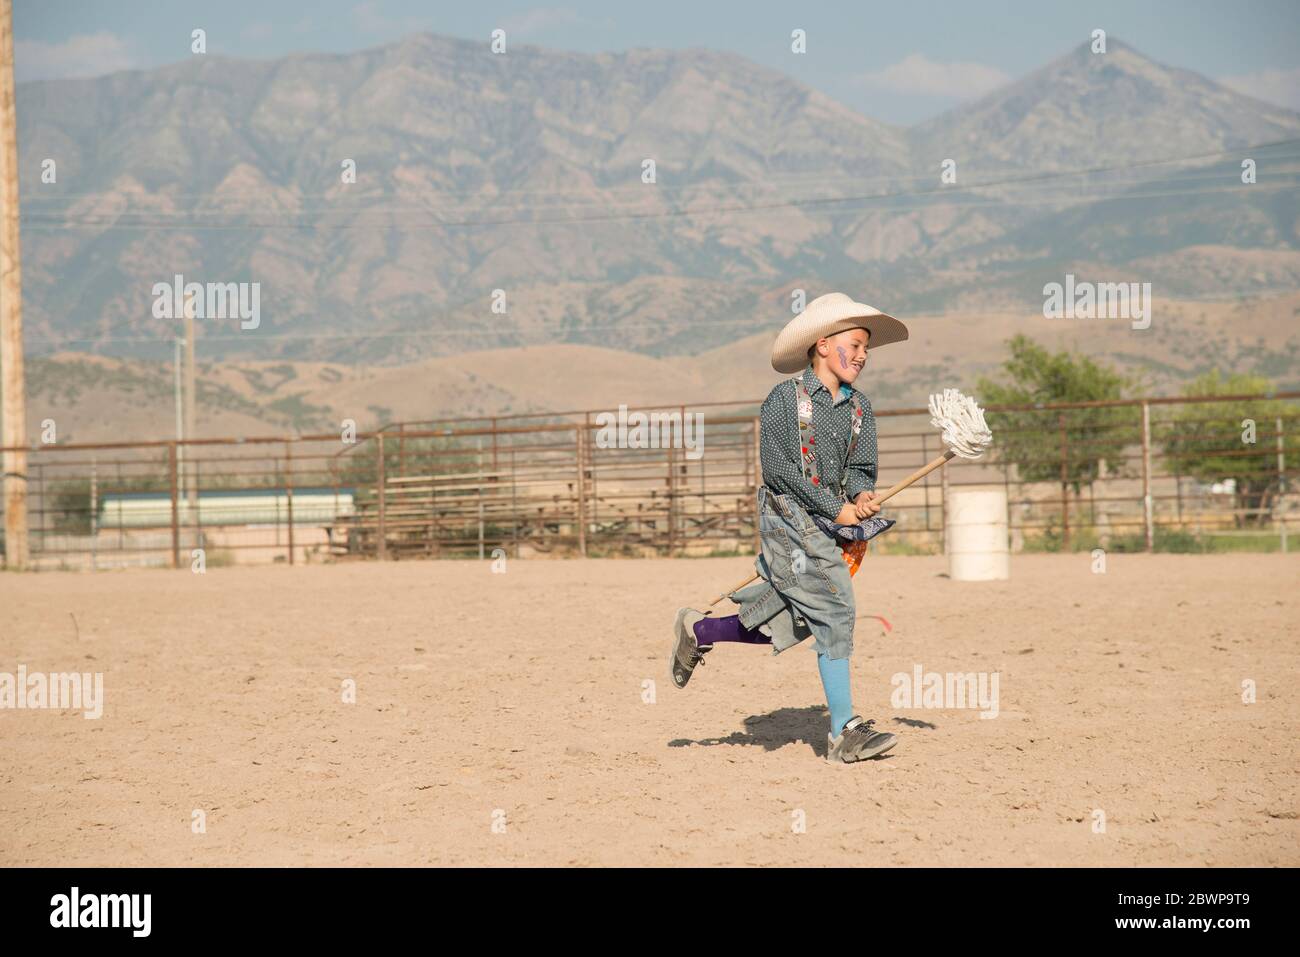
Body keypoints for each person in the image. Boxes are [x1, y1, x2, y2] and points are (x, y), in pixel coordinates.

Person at [670, 292, 909, 764]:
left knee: (797, 619)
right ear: (822, 344)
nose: (862, 355)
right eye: (856, 344)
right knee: (836, 609)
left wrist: (860, 495)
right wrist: (833, 508)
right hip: (787, 519)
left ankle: (700, 630)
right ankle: (844, 731)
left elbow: (861, 469)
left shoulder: (860, 409)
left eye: (866, 348)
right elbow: (778, 470)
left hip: (828, 524)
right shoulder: (784, 400)